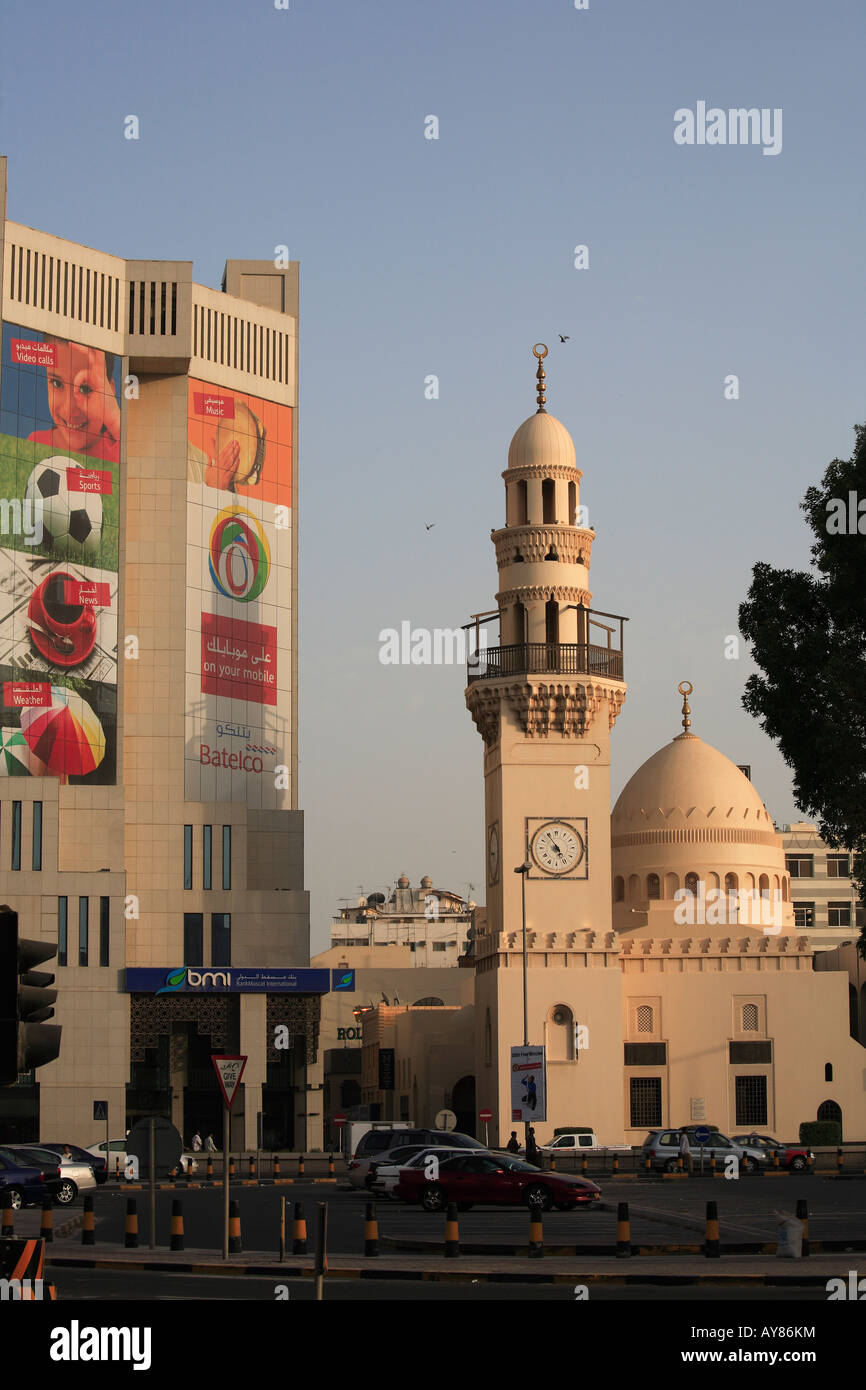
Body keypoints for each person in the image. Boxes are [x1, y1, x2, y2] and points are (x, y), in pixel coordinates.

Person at [27, 338, 120, 462]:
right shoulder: (36, 443)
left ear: (110, 391)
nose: (69, 410)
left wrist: (115, 421)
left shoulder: (121, 448)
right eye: (57, 383)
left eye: (85, 389)